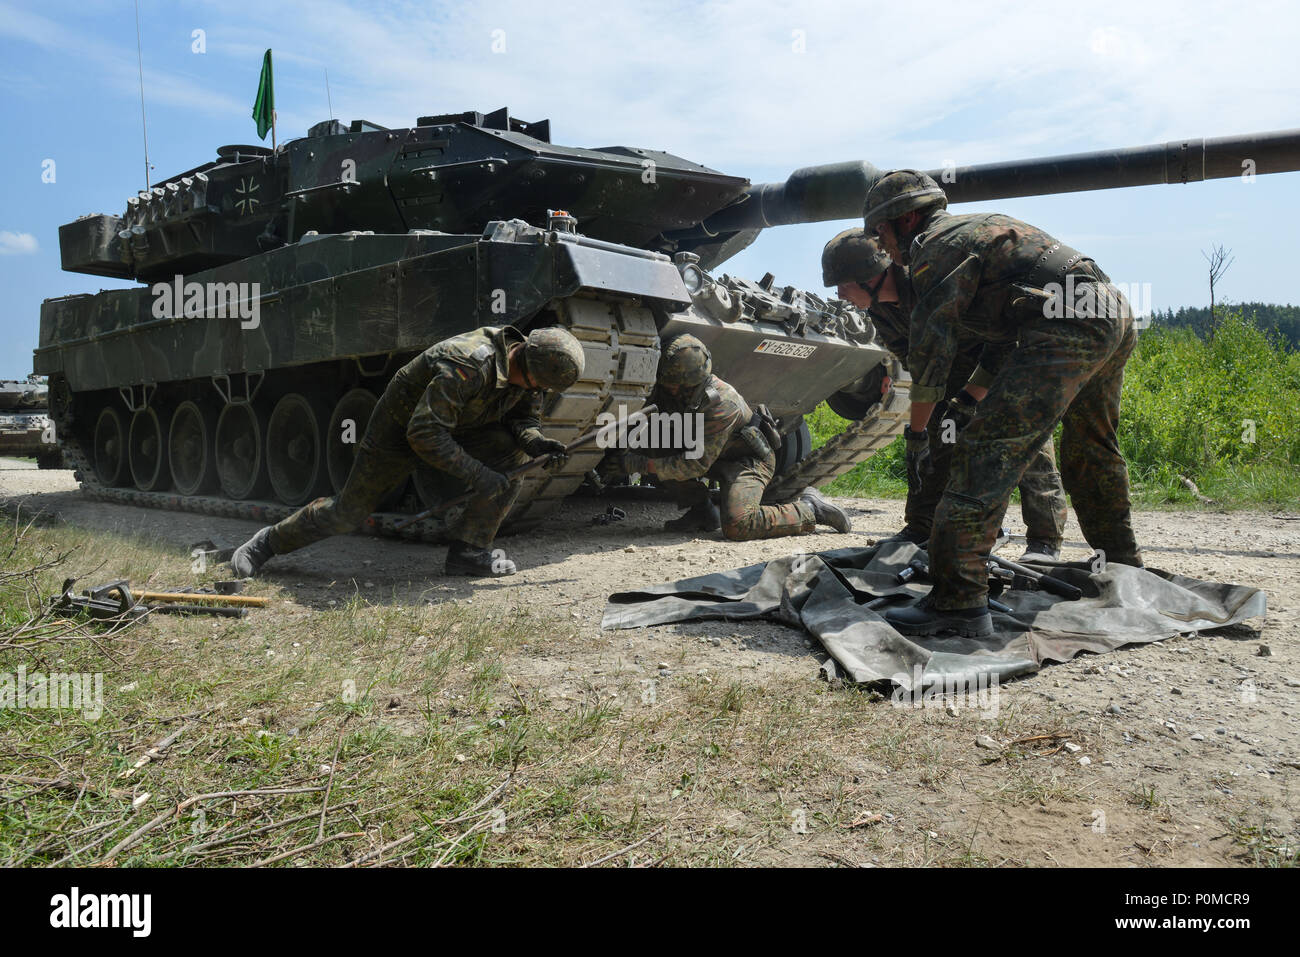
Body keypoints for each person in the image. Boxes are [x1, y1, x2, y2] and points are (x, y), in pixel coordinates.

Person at [858, 170, 1142, 638]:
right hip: (1108, 309)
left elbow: (930, 359)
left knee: (983, 453)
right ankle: (1126, 569)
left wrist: (917, 436)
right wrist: (968, 397)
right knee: (1091, 447)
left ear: (905, 219)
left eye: (880, 232)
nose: (881, 245)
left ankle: (958, 605)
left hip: (1065, 320)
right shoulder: (975, 228)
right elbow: (1000, 340)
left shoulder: (932, 250)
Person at [230, 325, 584, 578]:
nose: (538, 392)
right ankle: (266, 544)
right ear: (523, 361)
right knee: (347, 512)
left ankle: (469, 552)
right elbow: (425, 434)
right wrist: (478, 475)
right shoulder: (467, 364)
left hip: (458, 427)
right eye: (539, 385)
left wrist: (535, 441)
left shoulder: (531, 372)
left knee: (511, 460)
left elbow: (523, 419)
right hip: (400, 434)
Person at [821, 228, 1067, 560]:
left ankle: (1044, 540)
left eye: (843, 284)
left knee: (1024, 441)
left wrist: (967, 399)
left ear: (871, 277)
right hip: (949, 371)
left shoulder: (932, 280)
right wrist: (919, 432)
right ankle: (922, 527)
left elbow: (1002, 340)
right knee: (937, 443)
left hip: (1006, 355)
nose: (839, 295)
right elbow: (918, 364)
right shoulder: (881, 310)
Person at [600, 334, 851, 540]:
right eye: (666, 381)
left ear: (690, 381)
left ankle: (809, 509)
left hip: (746, 462)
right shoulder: (671, 388)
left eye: (674, 383)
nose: (668, 387)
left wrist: (638, 464)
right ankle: (702, 513)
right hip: (707, 453)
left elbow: (695, 465)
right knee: (656, 445)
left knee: (739, 525)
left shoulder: (721, 404)